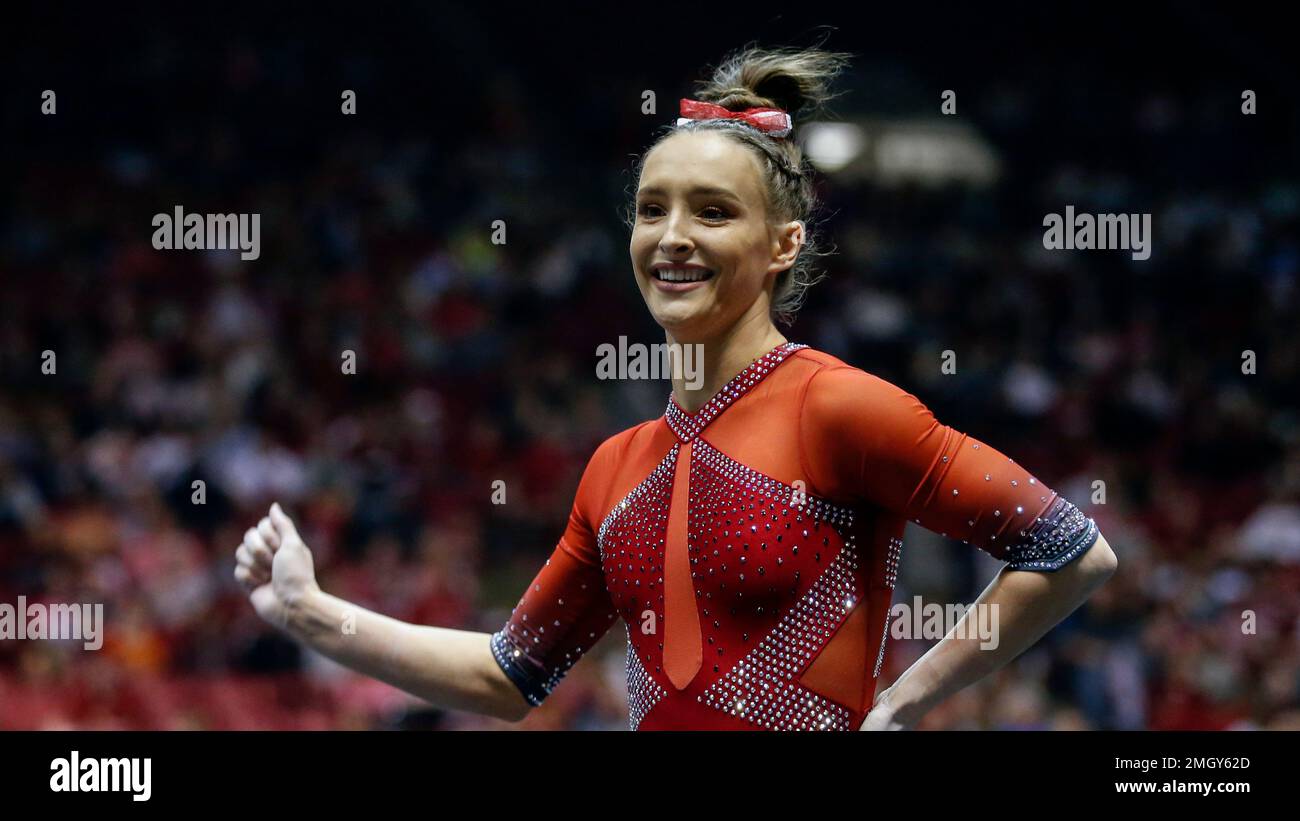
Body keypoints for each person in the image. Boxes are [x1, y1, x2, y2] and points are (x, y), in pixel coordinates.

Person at [233, 44, 1118, 731]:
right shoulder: (615, 467)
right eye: (653, 208)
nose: (673, 236)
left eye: (713, 210)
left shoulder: (839, 408)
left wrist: (905, 702)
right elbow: (508, 676)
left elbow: (1071, 551)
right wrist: (314, 614)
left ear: (784, 244)